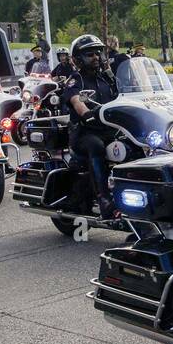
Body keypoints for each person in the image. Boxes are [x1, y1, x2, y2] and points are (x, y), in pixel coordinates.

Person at [62, 34, 120, 217]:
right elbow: (76, 100)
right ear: (78, 59)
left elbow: (124, 95)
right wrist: (86, 113)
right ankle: (104, 199)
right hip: (84, 132)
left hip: (109, 129)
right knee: (96, 147)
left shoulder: (107, 78)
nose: (95, 57)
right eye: (90, 54)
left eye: (97, 53)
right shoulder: (76, 79)